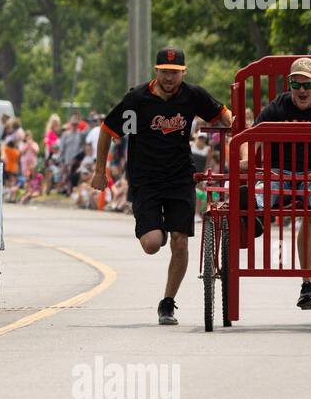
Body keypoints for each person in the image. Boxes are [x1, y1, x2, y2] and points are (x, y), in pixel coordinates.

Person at [93, 47, 232, 325]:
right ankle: (159, 229)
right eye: (164, 72)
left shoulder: (193, 95)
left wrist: (234, 123)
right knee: (152, 243)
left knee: (180, 241)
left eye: (175, 73)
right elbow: (107, 131)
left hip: (180, 177)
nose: (169, 78)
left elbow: (225, 117)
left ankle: (167, 302)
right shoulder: (137, 98)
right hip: (146, 180)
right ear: (156, 71)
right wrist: (100, 171)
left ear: (183, 73)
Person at [249, 56, 311, 312]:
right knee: (261, 192)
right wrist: (246, 160)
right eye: (296, 85)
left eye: (307, 85)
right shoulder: (277, 105)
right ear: (289, 84)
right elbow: (251, 137)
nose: (302, 90)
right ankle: (254, 215)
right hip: (278, 173)